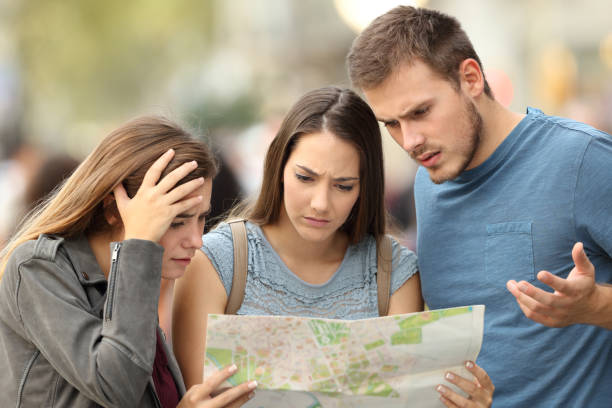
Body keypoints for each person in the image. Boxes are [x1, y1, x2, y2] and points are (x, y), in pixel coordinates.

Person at [347, 5, 612, 407]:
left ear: (470, 78)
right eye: (392, 124)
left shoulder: (581, 158)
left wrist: (597, 307)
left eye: (420, 112)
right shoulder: (428, 182)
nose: (410, 140)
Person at [172, 87, 494, 407]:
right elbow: (198, 397)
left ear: (364, 187)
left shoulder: (393, 273)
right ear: (279, 168)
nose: (321, 204)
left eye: (343, 186)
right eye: (305, 178)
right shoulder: (218, 261)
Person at [0, 116, 257, 407]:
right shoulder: (36, 267)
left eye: (201, 219)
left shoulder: (129, 282)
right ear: (114, 210)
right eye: (176, 222)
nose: (196, 240)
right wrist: (139, 244)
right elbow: (116, 386)